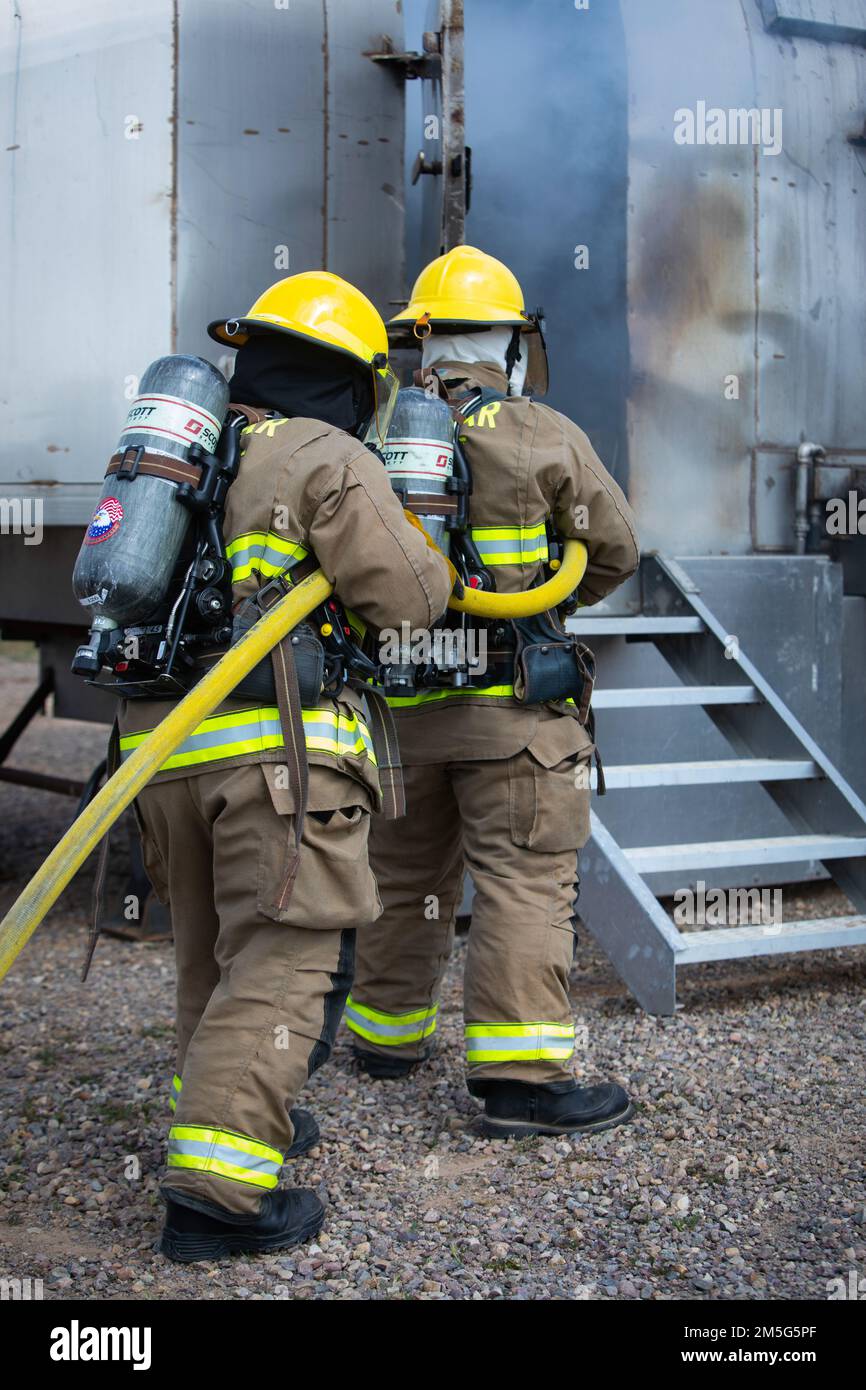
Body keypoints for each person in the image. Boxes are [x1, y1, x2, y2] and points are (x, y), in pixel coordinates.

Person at [122, 271, 452, 1260]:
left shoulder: (193, 454)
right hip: (277, 760)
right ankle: (219, 1192)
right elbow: (409, 598)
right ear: (349, 380)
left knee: (211, 956)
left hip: (162, 754)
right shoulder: (325, 452)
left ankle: (219, 1119)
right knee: (280, 959)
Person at [347, 246, 640, 1137]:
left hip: (400, 715)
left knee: (401, 879)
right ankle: (521, 1079)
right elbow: (618, 549)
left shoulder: (373, 434)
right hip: (513, 716)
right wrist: (549, 600)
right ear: (510, 345)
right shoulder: (542, 433)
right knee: (522, 880)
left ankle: (384, 1039)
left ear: (418, 345)